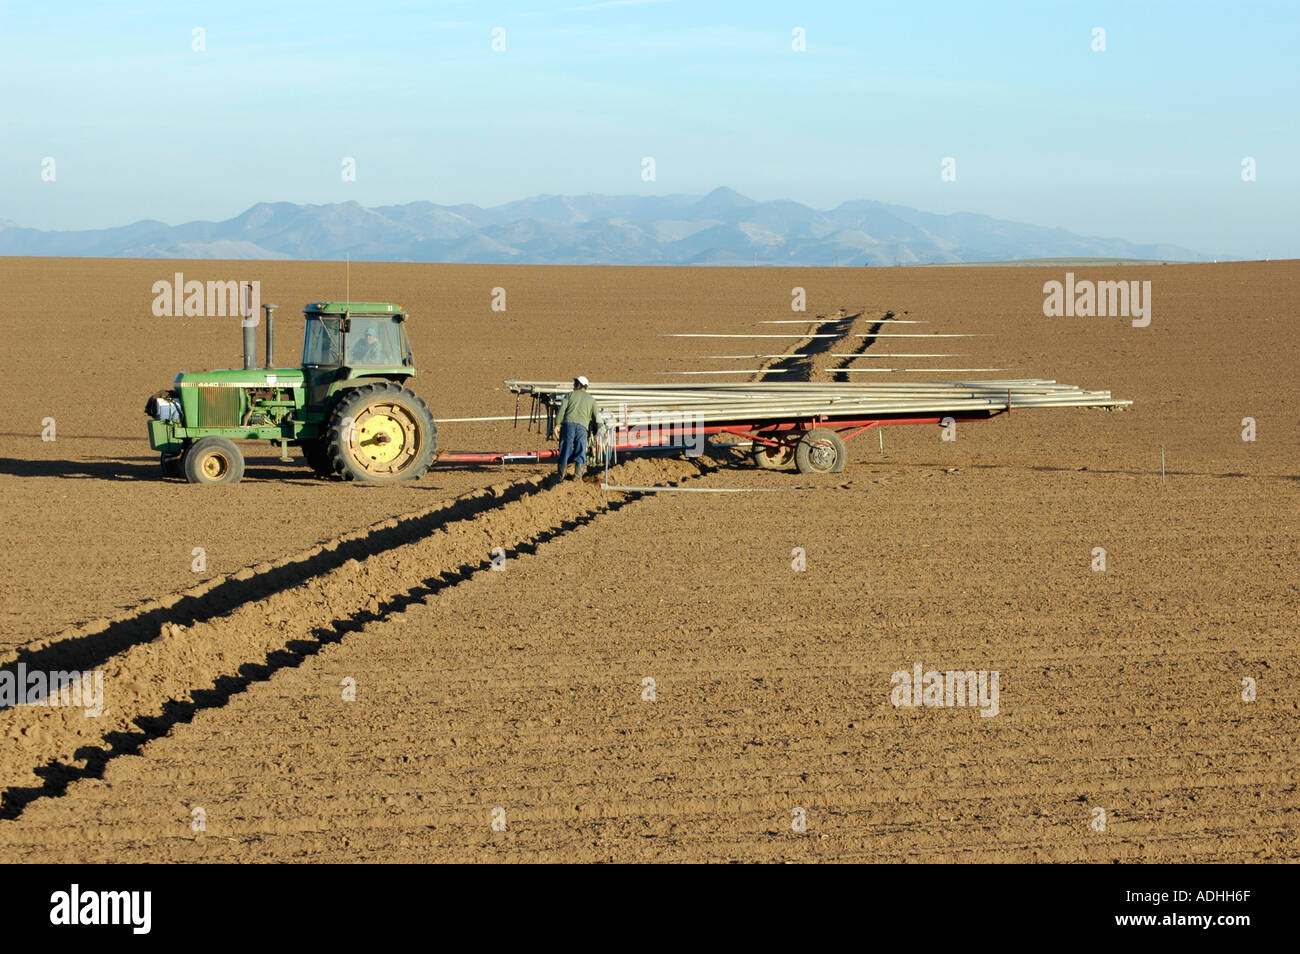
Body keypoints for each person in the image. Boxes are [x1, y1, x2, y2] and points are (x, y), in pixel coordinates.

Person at [550, 375, 601, 483]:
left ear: (578, 385)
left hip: (568, 426)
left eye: (574, 384)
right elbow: (597, 417)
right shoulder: (591, 400)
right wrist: (602, 429)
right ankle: (577, 477)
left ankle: (561, 476)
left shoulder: (569, 395)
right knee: (581, 450)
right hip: (582, 428)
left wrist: (557, 424)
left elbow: (562, 410)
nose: (573, 386)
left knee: (565, 449)